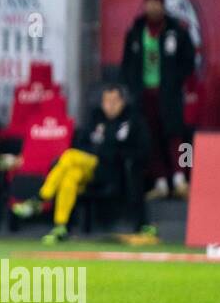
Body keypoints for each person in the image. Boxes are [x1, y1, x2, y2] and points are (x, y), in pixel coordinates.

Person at [18, 84, 152, 245]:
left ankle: (41, 199)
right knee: (70, 174)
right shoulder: (95, 118)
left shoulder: (133, 120)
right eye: (107, 101)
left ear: (123, 102)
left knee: (69, 158)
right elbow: (81, 142)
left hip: (113, 170)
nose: (110, 106)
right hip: (89, 168)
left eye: (115, 101)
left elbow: (142, 150)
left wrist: (111, 152)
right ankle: (60, 227)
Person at [120, 0, 195, 200]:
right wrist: (132, 87)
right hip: (144, 95)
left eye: (156, 2)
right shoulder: (135, 31)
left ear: (163, 6)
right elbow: (126, 64)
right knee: (151, 138)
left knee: (178, 138)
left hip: (169, 94)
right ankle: (161, 182)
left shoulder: (177, 31)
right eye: (148, 2)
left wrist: (175, 80)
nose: (152, 7)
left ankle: (181, 179)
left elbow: (188, 61)